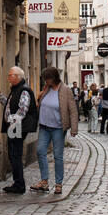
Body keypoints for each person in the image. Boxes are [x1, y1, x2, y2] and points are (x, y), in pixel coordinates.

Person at [30, 66, 79, 195]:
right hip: (44, 127)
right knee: (40, 151)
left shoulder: (66, 90)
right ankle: (44, 181)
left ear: (54, 78)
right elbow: (39, 102)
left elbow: (73, 110)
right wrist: (41, 93)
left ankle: (58, 184)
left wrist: (74, 128)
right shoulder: (47, 89)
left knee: (58, 156)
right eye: (45, 79)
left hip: (58, 128)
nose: (46, 81)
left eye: (48, 79)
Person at [0, 67, 37, 195]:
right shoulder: (16, 90)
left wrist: (11, 122)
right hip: (15, 125)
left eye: (10, 75)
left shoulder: (24, 90)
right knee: (13, 154)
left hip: (17, 126)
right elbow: (8, 105)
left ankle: (19, 185)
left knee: (15, 154)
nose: (8, 77)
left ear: (18, 77)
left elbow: (22, 110)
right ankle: (18, 183)